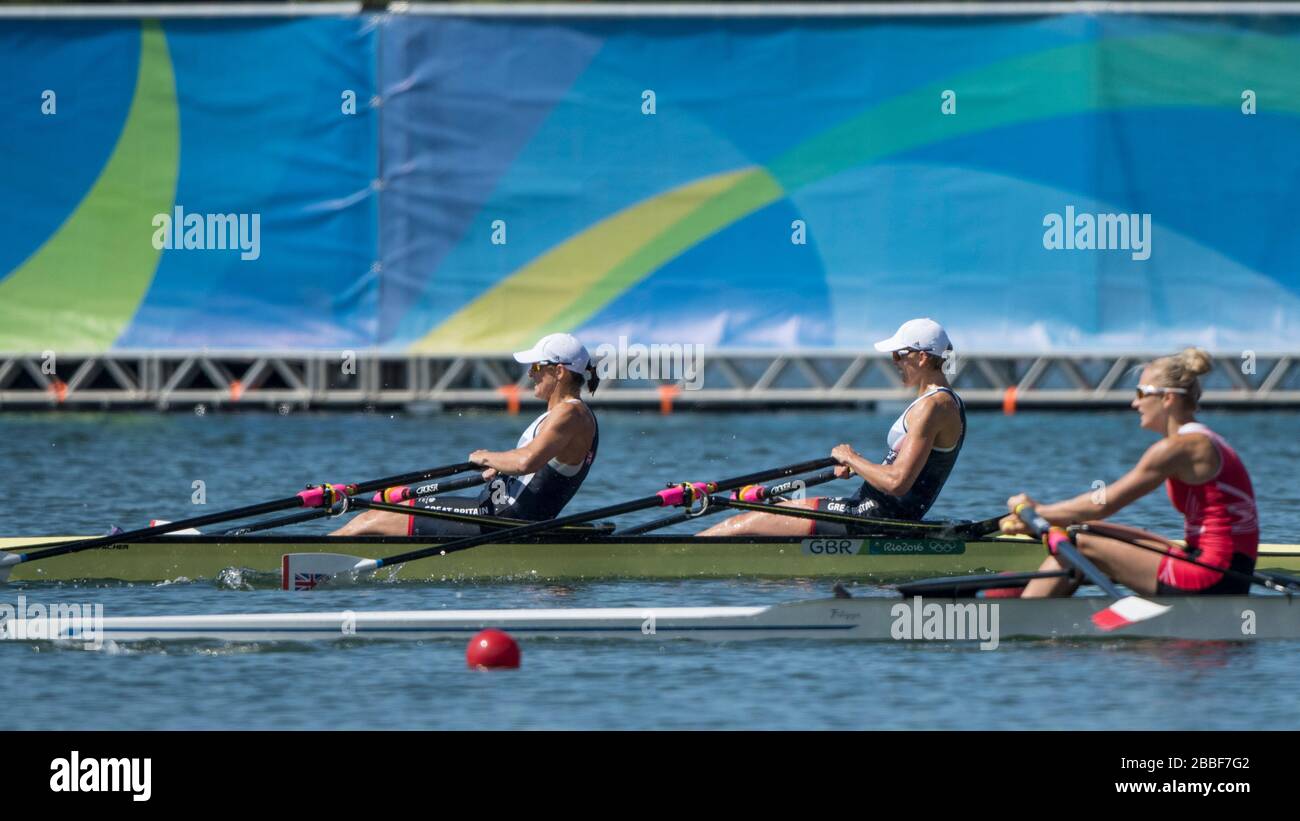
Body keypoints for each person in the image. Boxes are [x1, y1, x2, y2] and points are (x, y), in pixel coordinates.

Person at [1000, 348, 1258, 597]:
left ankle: (1020, 618)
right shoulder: (1203, 439)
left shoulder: (1180, 448)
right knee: (1082, 530)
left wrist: (1038, 511)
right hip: (1220, 566)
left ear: (1168, 398)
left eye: (1141, 393)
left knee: (1078, 543)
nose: (1134, 403)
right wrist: (1051, 519)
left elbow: (1104, 502)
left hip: (1213, 576)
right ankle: (1036, 602)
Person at [697, 318, 965, 536]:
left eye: (898, 355)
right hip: (870, 509)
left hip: (872, 517)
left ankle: (675, 554)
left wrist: (852, 457)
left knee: (738, 526)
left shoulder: (933, 406)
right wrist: (860, 468)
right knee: (777, 507)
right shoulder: (948, 402)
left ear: (921, 357)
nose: (894, 362)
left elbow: (897, 483)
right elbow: (907, 472)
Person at [332, 333, 599, 537]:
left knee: (372, 520)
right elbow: (532, 466)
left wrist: (486, 457)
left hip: (502, 520)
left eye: (537, 368)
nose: (531, 374)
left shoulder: (570, 415)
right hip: (493, 510)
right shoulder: (564, 415)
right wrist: (499, 468)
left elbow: (525, 462)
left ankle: (305, 562)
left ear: (560, 371)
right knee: (384, 512)